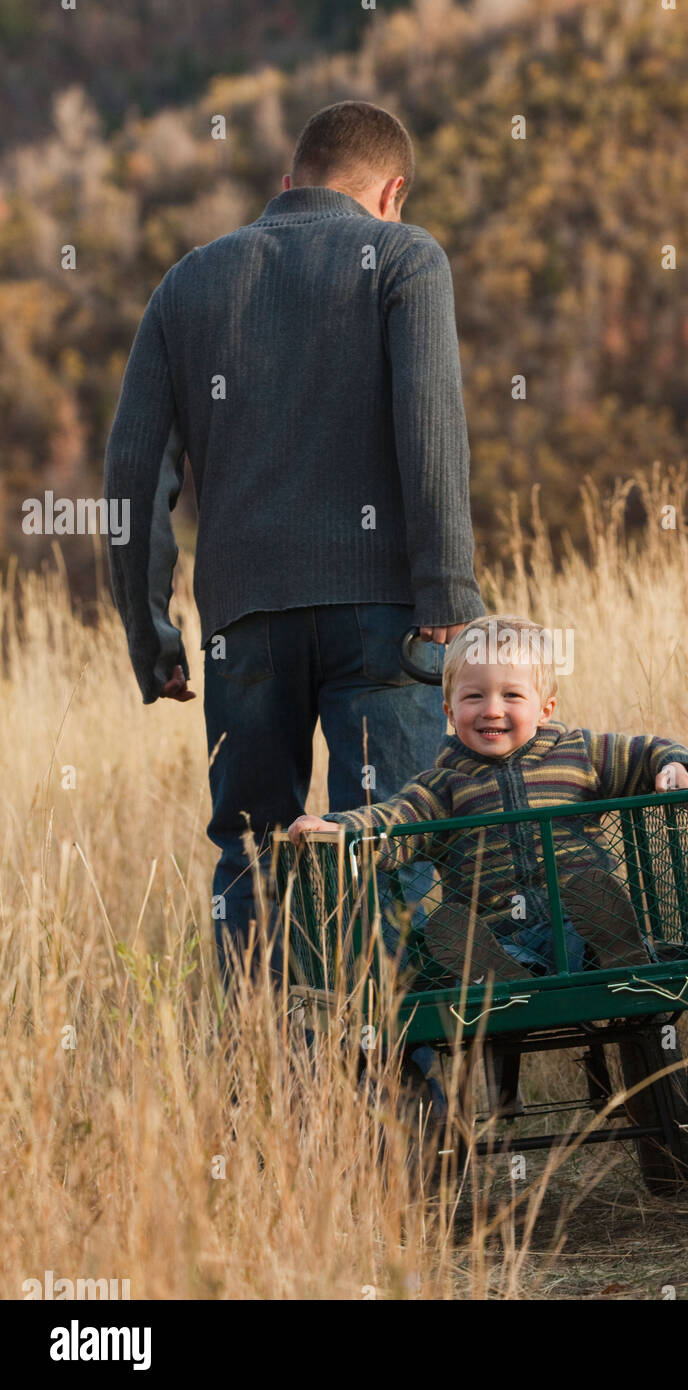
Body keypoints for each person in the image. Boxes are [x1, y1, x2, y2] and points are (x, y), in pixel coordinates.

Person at [102, 101, 485, 992]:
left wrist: (148, 635)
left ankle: (265, 1084)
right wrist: (446, 601)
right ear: (392, 192)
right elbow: (431, 434)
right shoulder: (404, 256)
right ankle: (404, 1101)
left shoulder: (186, 283)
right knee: (390, 846)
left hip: (242, 624)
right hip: (385, 616)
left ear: (288, 183)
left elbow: (130, 478)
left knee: (251, 855)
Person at [287, 615, 688, 982]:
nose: (492, 709)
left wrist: (675, 767)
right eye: (474, 696)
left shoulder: (579, 753)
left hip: (577, 920)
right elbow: (394, 818)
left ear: (545, 708)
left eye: (511, 695)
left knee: (591, 900)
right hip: (501, 933)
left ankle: (617, 952)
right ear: (449, 712)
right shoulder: (442, 784)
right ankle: (505, 977)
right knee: (453, 931)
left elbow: (643, 752)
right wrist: (340, 827)